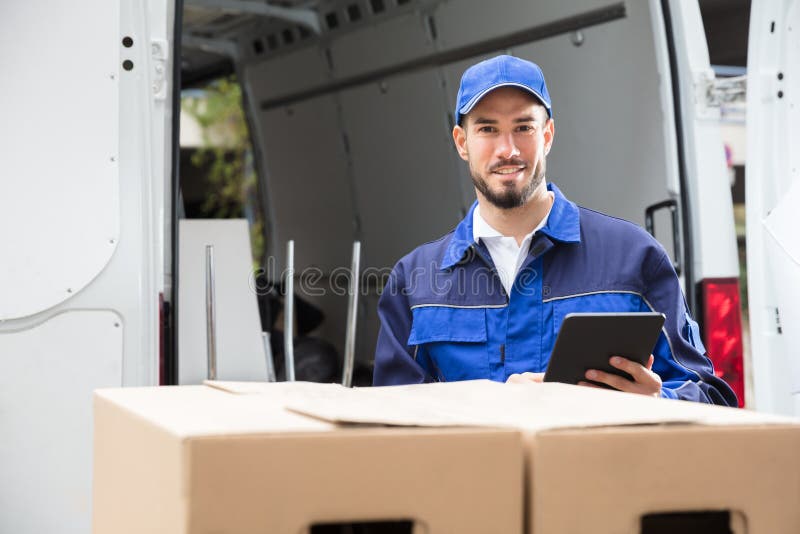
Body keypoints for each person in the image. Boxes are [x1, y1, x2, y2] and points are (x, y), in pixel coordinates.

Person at [372, 54, 737, 405]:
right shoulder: (414, 281)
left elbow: (713, 398)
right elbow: (388, 423)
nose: (507, 149)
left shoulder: (635, 258)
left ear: (547, 135)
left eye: (523, 128)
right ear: (462, 142)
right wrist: (490, 404)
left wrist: (659, 400)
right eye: (487, 129)